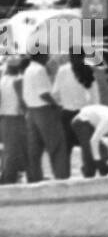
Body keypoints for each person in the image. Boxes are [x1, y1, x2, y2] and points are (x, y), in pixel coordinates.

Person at [21, 51, 69, 180]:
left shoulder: (28, 70)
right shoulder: (39, 70)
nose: (48, 58)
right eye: (46, 55)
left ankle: (34, 177)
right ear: (40, 56)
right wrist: (57, 105)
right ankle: (61, 176)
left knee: (34, 147)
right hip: (45, 110)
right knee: (56, 144)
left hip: (31, 111)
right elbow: (44, 94)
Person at [53, 53, 99, 173]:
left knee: (66, 147)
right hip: (84, 114)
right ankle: (89, 172)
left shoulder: (62, 70)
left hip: (67, 114)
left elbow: (55, 93)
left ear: (70, 57)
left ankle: (63, 174)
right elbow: (95, 97)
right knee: (86, 146)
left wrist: (62, 101)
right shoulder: (88, 70)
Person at [70, 104, 108, 178]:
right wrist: (98, 161)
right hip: (81, 121)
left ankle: (90, 171)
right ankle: (88, 174)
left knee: (104, 153)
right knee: (91, 150)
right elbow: (94, 141)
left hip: (91, 125)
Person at [0, 57, 28, 183]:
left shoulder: (2, 80)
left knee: (10, 150)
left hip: (4, 119)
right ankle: (8, 180)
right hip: (15, 118)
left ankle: (9, 176)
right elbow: (23, 101)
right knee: (13, 152)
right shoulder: (18, 81)